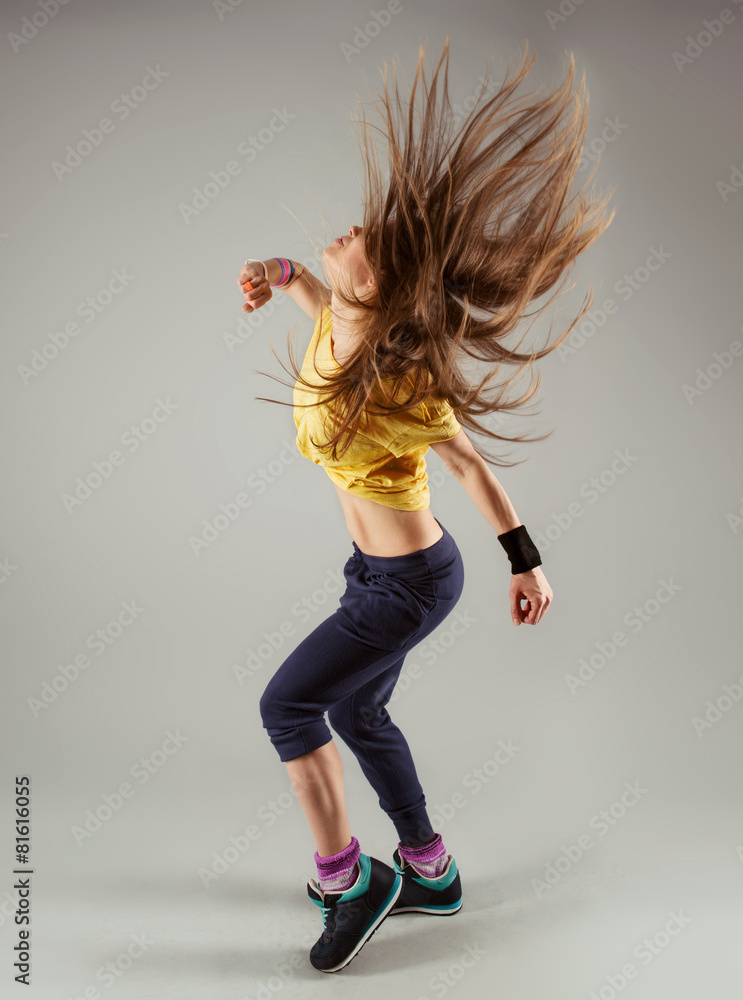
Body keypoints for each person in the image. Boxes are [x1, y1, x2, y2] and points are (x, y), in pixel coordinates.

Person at [236, 38, 613, 974]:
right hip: (374, 571)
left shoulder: (406, 384)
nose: (350, 233)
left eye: (361, 243)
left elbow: (475, 470)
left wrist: (525, 561)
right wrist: (280, 274)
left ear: (381, 285)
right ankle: (430, 870)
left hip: (409, 585)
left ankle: (348, 879)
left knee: (288, 706)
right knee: (360, 717)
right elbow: (318, 302)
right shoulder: (343, 317)